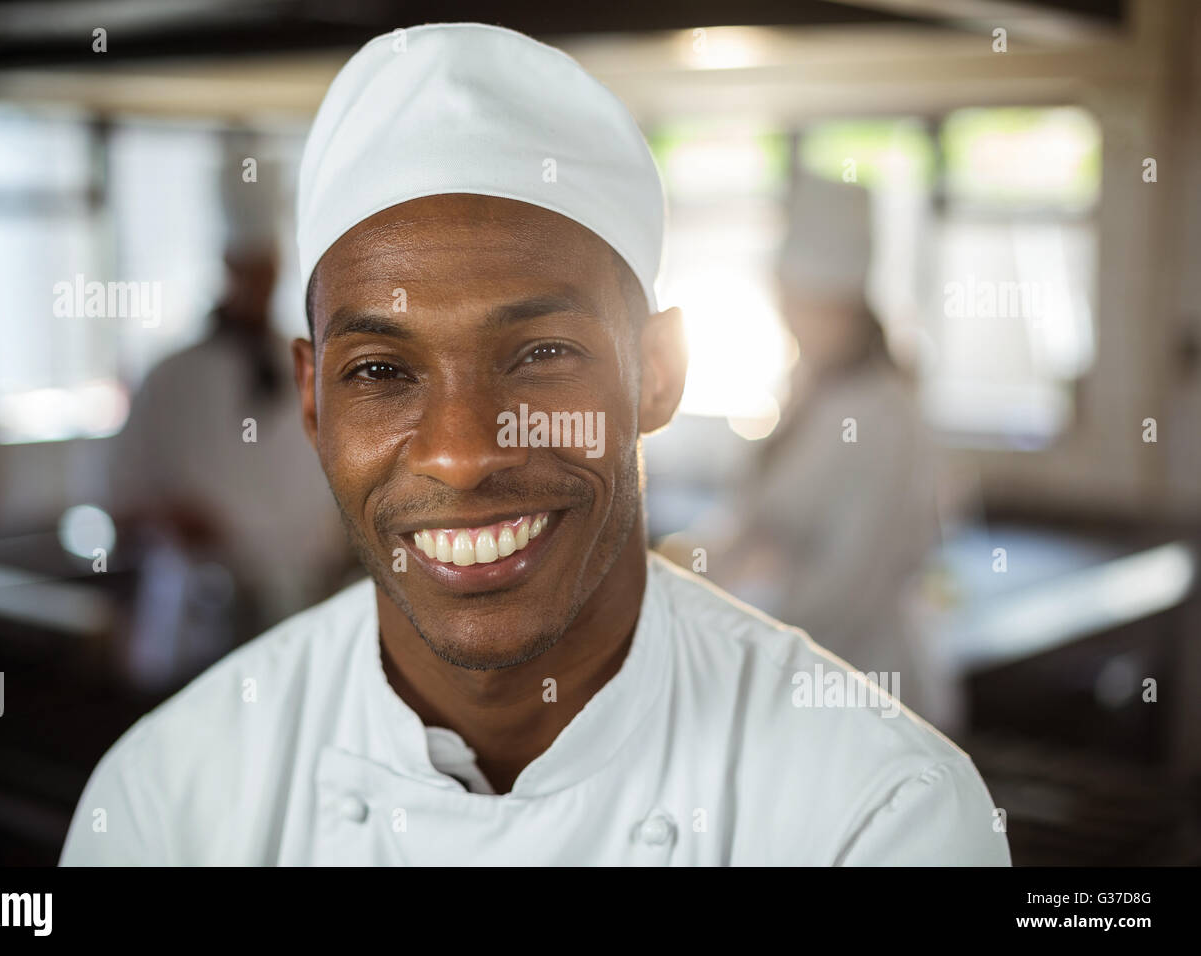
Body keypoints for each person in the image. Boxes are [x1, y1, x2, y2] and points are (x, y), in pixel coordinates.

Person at [61, 22, 1008, 865]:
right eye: (382, 373)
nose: (464, 453)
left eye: (542, 353)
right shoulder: (165, 803)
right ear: (314, 399)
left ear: (660, 373)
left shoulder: (878, 817)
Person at [673, 173, 962, 734]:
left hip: (867, 690)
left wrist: (739, 602)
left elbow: (846, 585)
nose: (788, 316)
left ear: (842, 305)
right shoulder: (810, 387)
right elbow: (763, 524)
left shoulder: (884, 419)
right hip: (801, 679)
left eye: (799, 301)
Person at [105, 145, 351, 686]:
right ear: (225, 269)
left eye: (265, 272)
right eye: (246, 271)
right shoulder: (170, 378)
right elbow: (118, 499)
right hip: (193, 623)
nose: (256, 286)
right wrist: (168, 519)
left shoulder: (310, 366)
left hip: (296, 613)